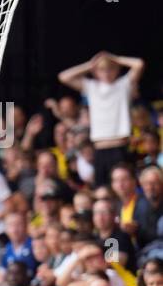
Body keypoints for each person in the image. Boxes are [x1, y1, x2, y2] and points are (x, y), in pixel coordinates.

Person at [58, 51, 145, 187]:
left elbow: (139, 64)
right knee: (102, 189)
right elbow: (64, 77)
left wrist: (116, 59)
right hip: (100, 148)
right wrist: (91, 64)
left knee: (125, 187)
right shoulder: (91, 87)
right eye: (102, 69)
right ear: (96, 72)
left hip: (119, 145)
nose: (107, 72)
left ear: (117, 69)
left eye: (110, 68)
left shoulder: (123, 85)